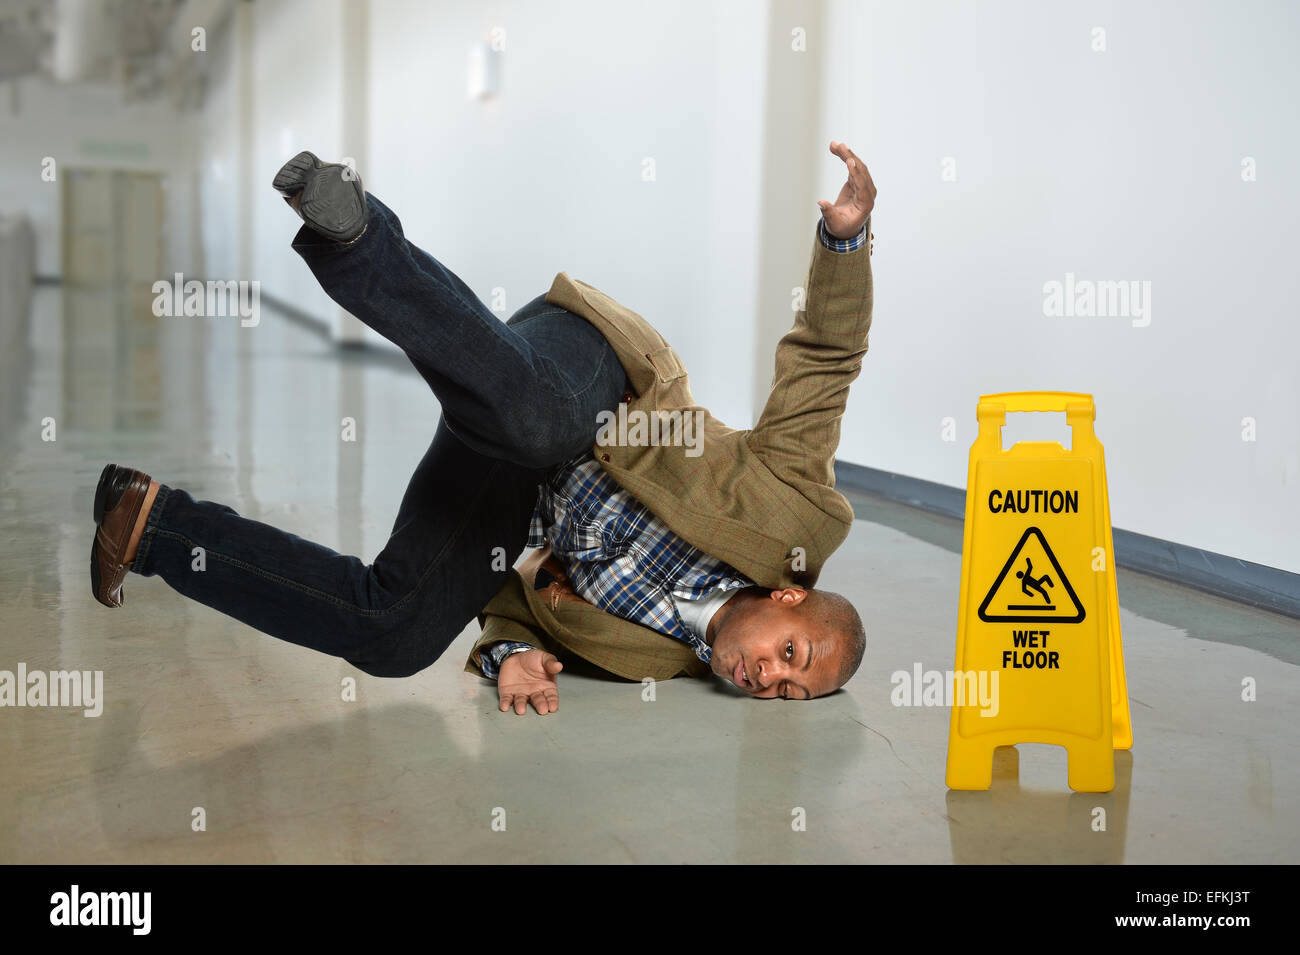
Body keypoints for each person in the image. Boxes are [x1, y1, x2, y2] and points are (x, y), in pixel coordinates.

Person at [90, 141, 876, 716]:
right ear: (788, 595)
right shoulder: (793, 514)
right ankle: (356, 237)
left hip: (510, 482)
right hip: (593, 380)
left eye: (788, 689)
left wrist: (510, 653)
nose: (769, 675)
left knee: (394, 633)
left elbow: (516, 597)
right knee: (540, 423)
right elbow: (824, 362)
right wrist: (845, 241)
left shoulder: (657, 658)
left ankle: (152, 525)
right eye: (789, 655)